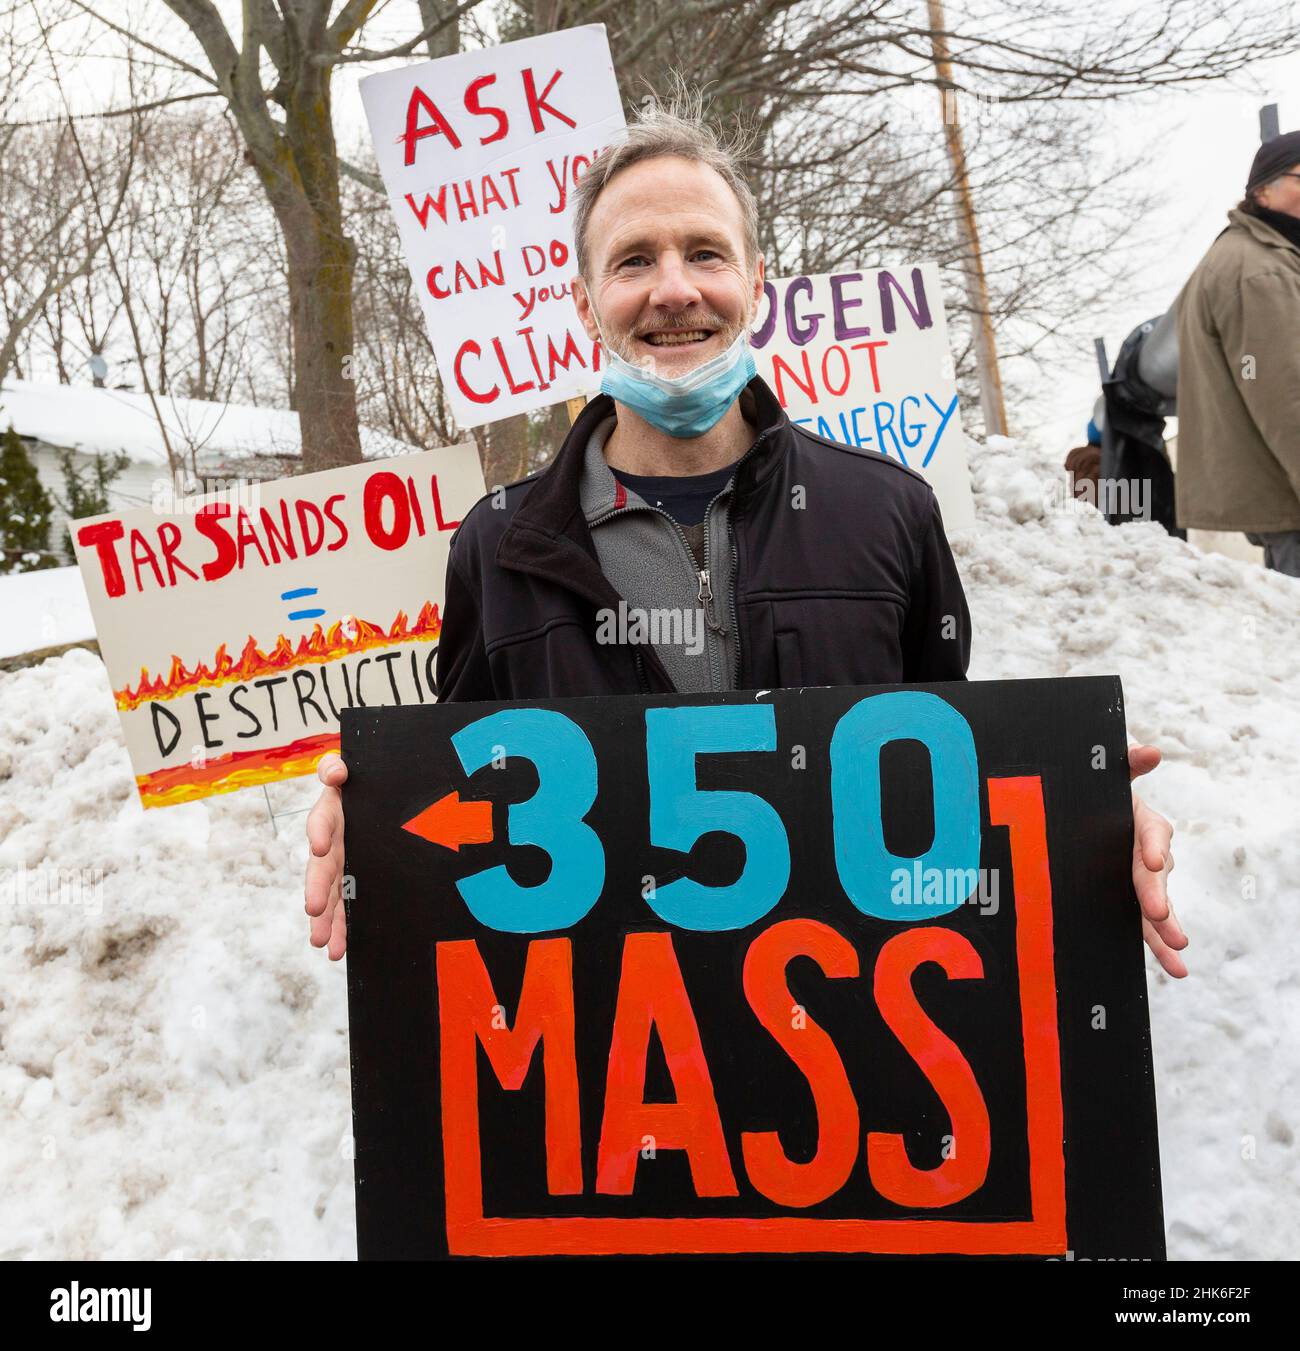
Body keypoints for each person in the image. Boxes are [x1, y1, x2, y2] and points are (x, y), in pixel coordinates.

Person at [305, 101, 1186, 978]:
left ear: (757, 284)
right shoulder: (496, 548)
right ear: (584, 304)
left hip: (846, 1040)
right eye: (634, 261)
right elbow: (472, 810)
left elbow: (938, 777)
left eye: (705, 253)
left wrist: (1082, 821)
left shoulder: (889, 512)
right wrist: (378, 832)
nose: (675, 290)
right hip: (620, 1060)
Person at [1175, 129, 1300, 576]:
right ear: (1262, 190)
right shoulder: (1261, 270)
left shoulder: (1256, 254)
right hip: (1288, 498)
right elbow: (1286, 395)